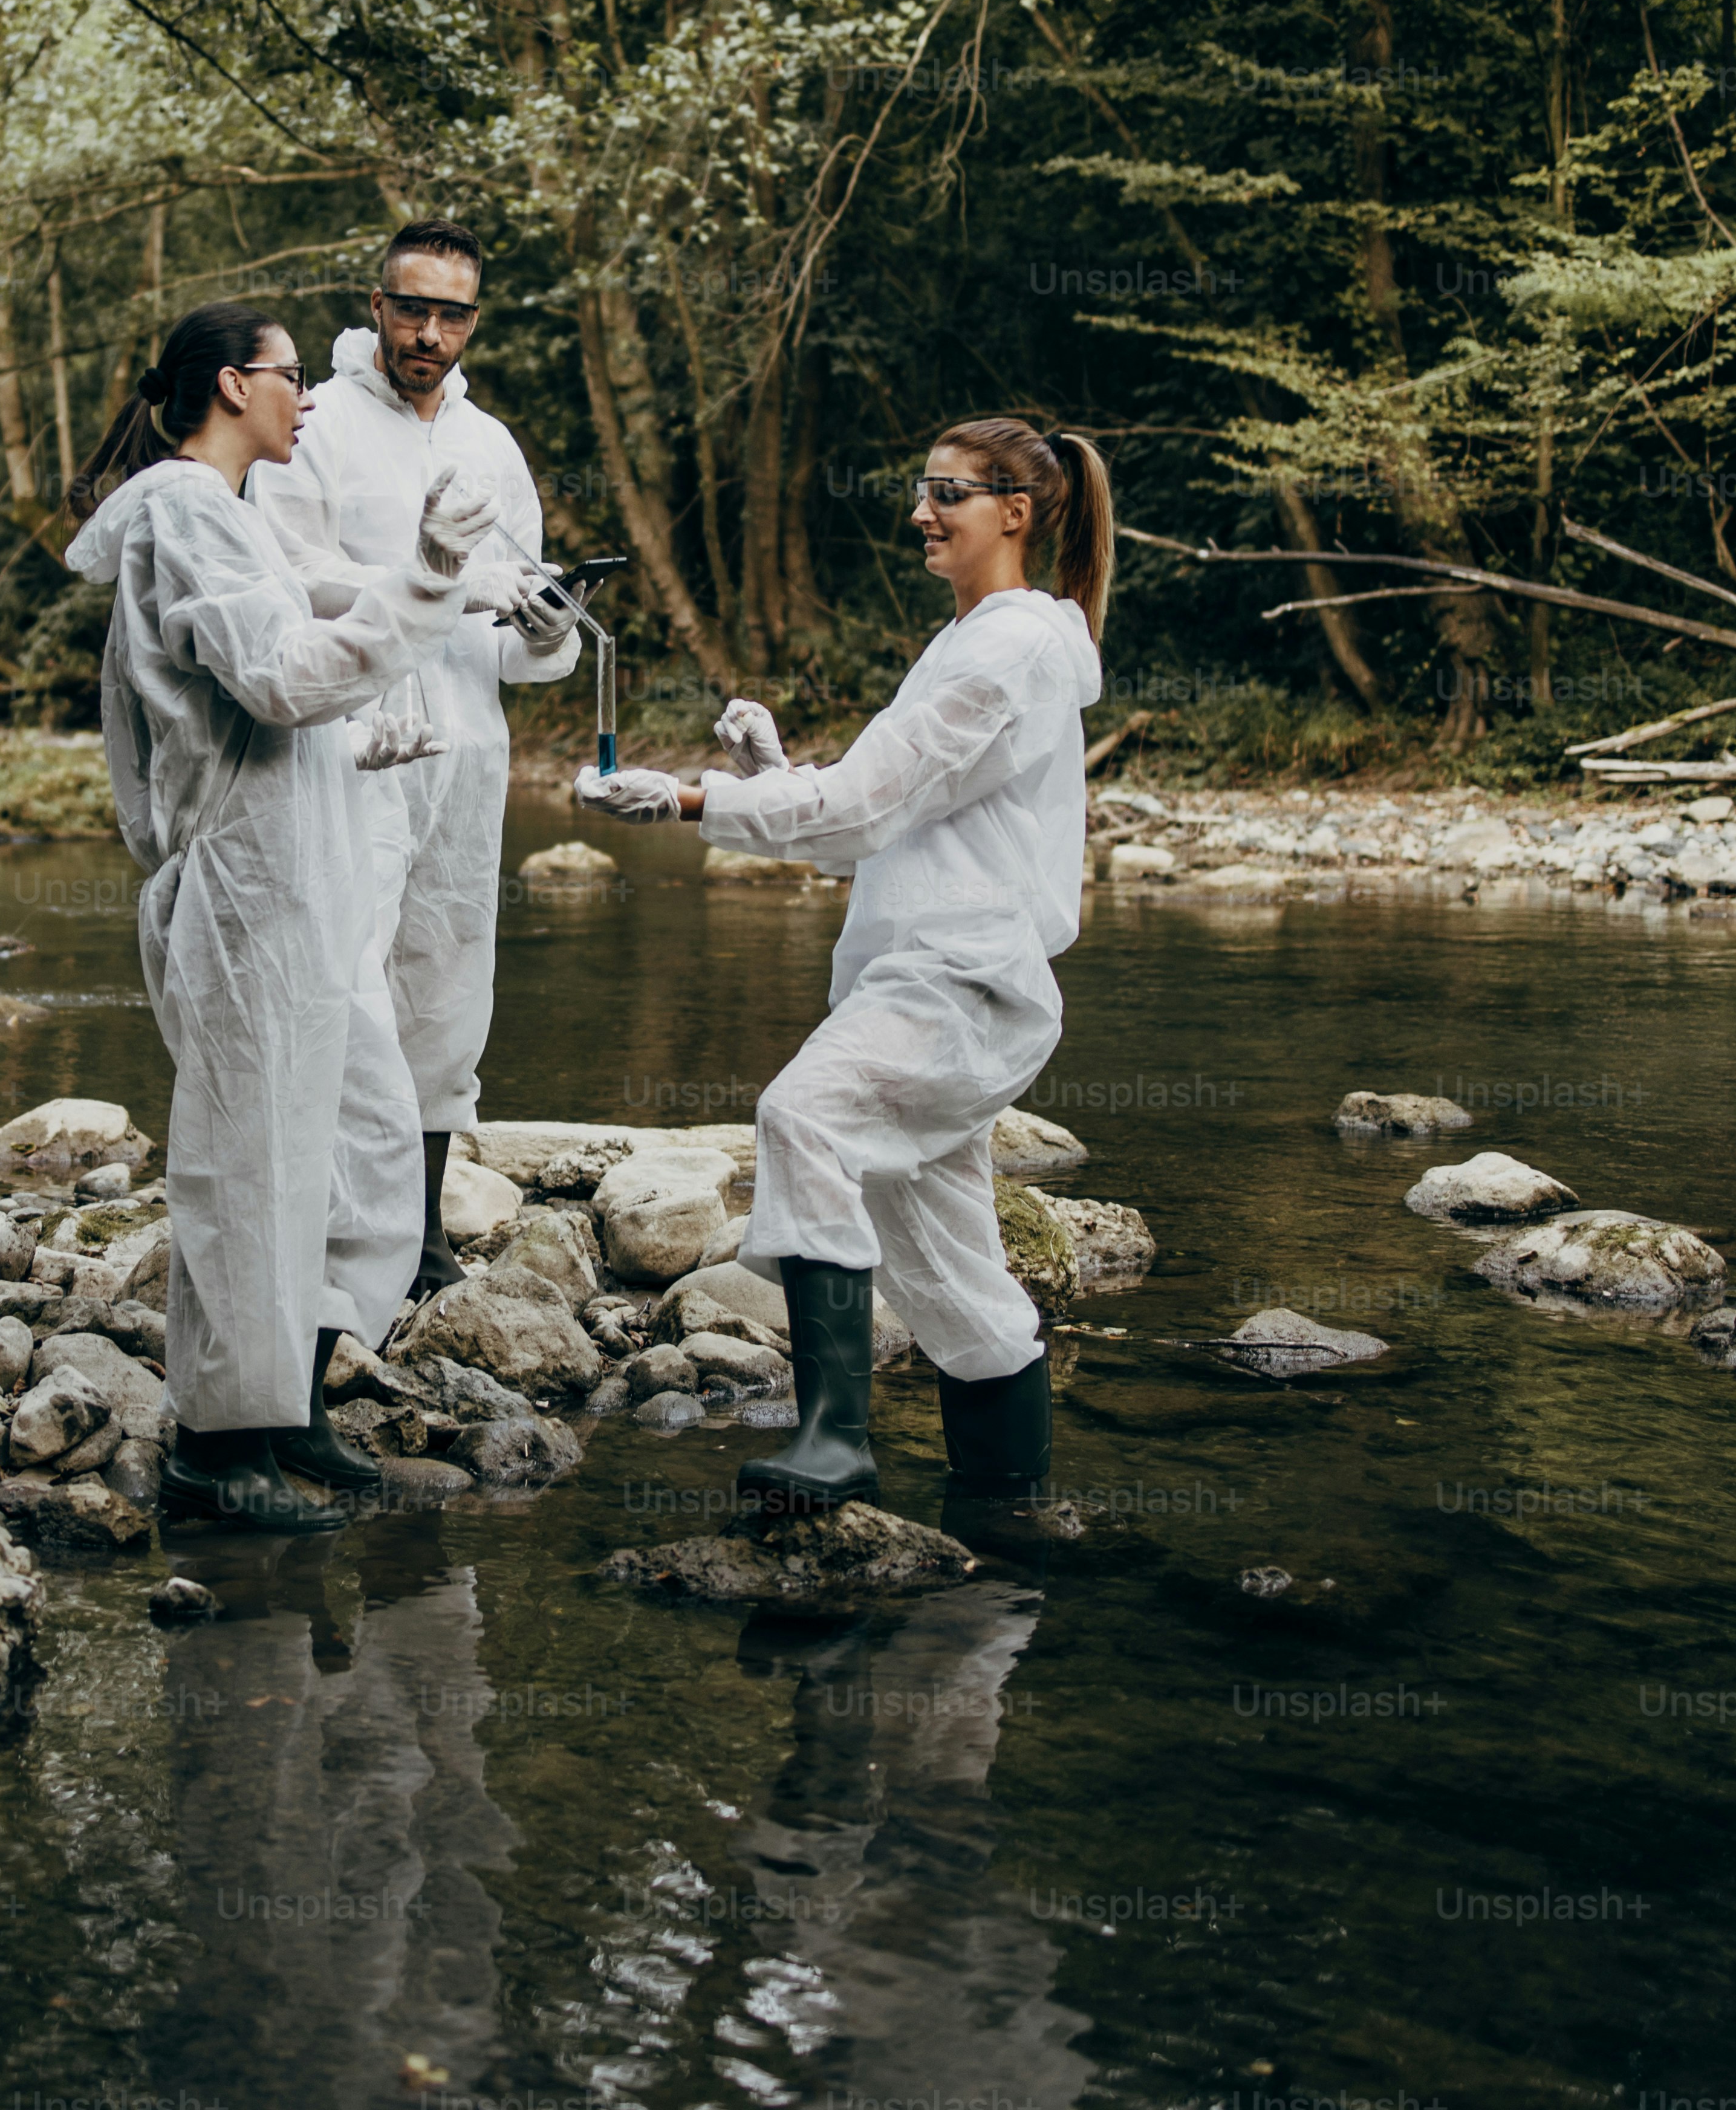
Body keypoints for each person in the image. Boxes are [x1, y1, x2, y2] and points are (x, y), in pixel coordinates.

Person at [575, 416, 1113, 1510]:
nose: (921, 512)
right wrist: (773, 772)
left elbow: (868, 804)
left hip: (961, 983)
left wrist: (692, 799)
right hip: (934, 972)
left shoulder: (1009, 650)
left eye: (947, 495)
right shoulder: (968, 641)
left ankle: (833, 1439)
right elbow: (891, 826)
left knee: (805, 1117)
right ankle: (1008, 1515)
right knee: (952, 1270)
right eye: (921, 490)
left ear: (1016, 512)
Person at [63, 302, 501, 1532]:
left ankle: (294, 1392)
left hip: (306, 876)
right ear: (227, 384)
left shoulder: (230, 512)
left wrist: (366, 733)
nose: (307, 397)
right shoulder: (185, 510)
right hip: (243, 891)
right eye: (289, 376)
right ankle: (220, 1441)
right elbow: (275, 678)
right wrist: (421, 581)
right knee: (248, 1157)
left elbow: (266, 702)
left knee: (359, 1143)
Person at [251, 226, 584, 1319]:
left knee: (448, 974)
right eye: (412, 309)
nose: (429, 334)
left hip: (469, 748)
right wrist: (430, 583)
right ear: (378, 305)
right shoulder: (318, 423)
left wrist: (542, 629)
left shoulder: (492, 445)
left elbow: (523, 636)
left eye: (452, 316)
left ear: (474, 322)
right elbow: (286, 574)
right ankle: (333, 1222)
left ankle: (425, 1229)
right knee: (348, 969)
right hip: (351, 735)